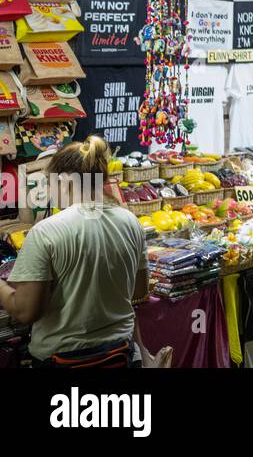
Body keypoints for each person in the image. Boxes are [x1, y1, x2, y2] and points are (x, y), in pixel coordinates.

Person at [0, 136, 148, 367]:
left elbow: (25, 311)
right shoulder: (131, 222)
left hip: (63, 359)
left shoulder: (46, 232)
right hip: (120, 354)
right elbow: (139, 291)